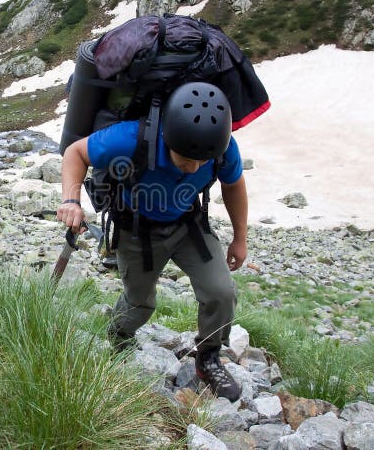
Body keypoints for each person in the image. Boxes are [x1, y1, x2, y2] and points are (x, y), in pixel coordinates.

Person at [57, 82, 247, 402]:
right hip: (136, 230)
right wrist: (71, 200)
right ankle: (119, 334)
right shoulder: (131, 138)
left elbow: (234, 184)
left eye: (204, 160)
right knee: (140, 303)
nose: (196, 168)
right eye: (186, 159)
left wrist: (240, 238)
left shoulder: (222, 146)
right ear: (168, 137)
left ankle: (208, 357)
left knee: (221, 291)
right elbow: (76, 153)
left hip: (189, 225)